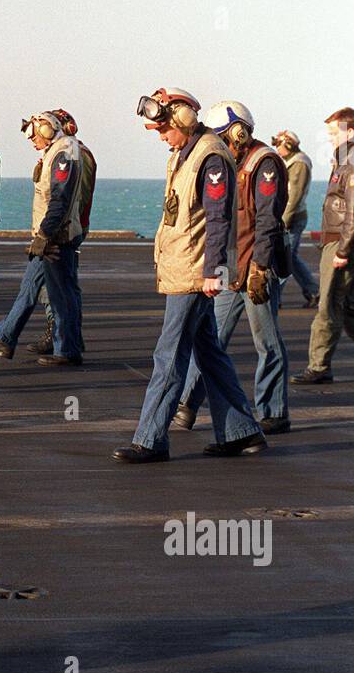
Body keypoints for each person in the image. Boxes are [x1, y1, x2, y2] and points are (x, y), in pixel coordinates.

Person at [113, 88, 266, 463]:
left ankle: (150, 440)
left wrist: (212, 271)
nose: (160, 135)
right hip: (186, 268)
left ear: (182, 119)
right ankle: (241, 432)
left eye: (164, 128)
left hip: (196, 273)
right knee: (209, 353)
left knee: (169, 354)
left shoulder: (209, 156)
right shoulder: (184, 155)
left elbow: (217, 218)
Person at [174, 102, 291, 434]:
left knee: (267, 343)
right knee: (211, 340)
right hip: (230, 269)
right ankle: (186, 405)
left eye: (223, 136)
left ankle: (273, 411)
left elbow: (267, 221)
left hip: (255, 269)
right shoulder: (228, 163)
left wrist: (261, 268)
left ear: (239, 132)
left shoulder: (263, 163)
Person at [0, 112, 83, 364]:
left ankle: (67, 350)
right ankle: (5, 337)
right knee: (31, 288)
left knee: (61, 295)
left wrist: (45, 236)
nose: (32, 140)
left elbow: (59, 200)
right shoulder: (56, 152)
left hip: (56, 238)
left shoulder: (63, 154)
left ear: (47, 130)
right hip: (50, 236)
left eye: (34, 135)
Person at [292, 107, 354, 384]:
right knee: (348, 305)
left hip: (340, 243)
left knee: (327, 305)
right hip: (339, 240)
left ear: (350, 131)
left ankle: (318, 366)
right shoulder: (343, 159)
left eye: (333, 132)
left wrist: (342, 250)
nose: (329, 138)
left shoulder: (350, 162)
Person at [30, 107, 96, 356]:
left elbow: (74, 195)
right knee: (63, 286)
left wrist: (59, 230)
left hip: (65, 229)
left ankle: (61, 337)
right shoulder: (58, 153)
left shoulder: (75, 155)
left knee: (56, 288)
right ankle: (68, 339)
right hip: (63, 226)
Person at [272, 129, 319, 306]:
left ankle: (274, 297)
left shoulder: (299, 164)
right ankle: (313, 290)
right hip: (292, 216)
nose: (277, 148)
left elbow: (295, 196)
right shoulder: (292, 162)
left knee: (284, 258)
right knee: (290, 257)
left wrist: (284, 221)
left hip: (292, 218)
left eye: (278, 144)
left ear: (288, 144)